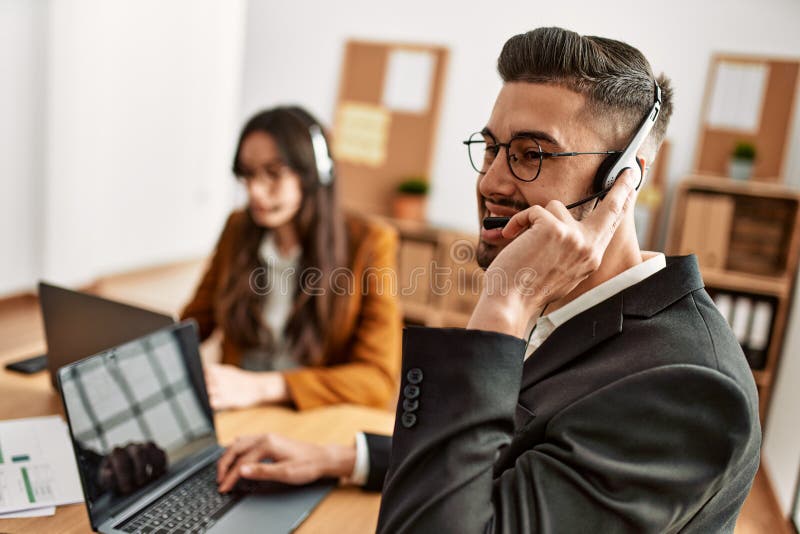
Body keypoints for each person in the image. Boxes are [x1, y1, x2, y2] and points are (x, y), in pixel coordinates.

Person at [215, 28, 761, 533]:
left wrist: (505, 304)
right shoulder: (573, 308)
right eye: (492, 148)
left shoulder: (687, 388)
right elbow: (506, 459)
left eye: (531, 154)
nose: (492, 181)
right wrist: (347, 456)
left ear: (624, 178)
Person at [181, 106, 401, 411]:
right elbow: (194, 323)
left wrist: (264, 387)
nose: (256, 191)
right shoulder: (237, 228)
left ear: (314, 174)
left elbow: (378, 379)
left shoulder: (369, 242)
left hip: (309, 415)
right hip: (237, 412)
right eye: (247, 175)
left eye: (274, 173)